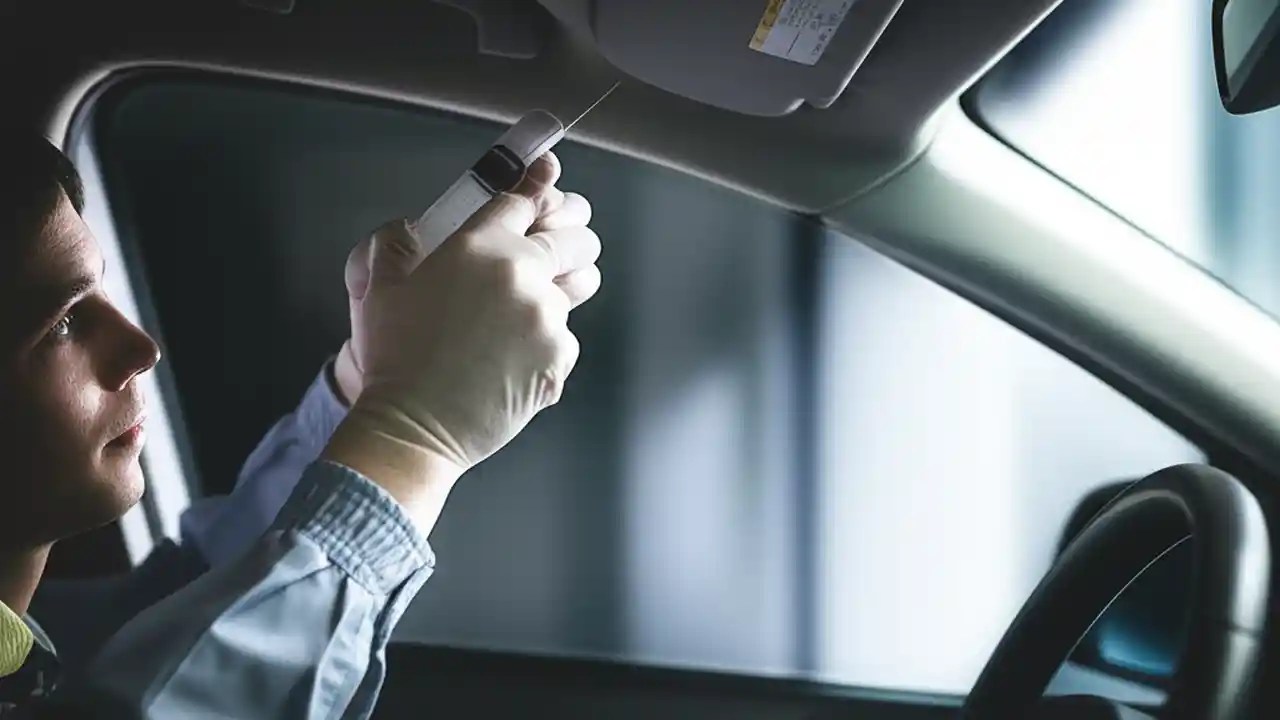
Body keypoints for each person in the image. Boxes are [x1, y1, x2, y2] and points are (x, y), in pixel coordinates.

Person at [0, 132, 601, 717]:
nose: (142, 348)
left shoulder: (36, 643)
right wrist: (415, 437)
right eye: (63, 323)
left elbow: (186, 605)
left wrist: (369, 379)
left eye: (101, 291)